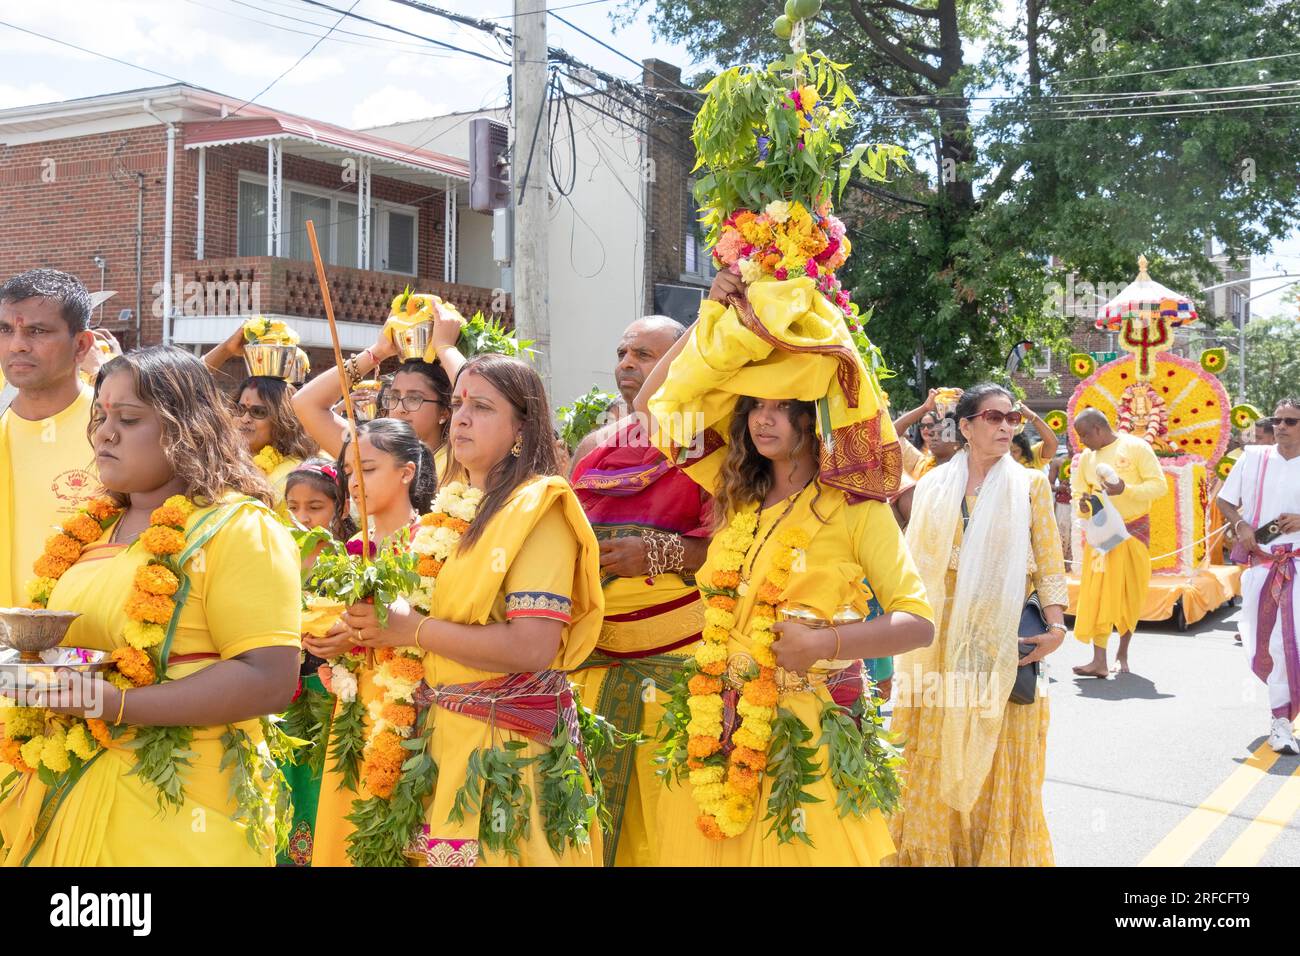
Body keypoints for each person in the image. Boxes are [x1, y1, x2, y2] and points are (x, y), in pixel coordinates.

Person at [635, 269, 934, 865]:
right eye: (754, 407)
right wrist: (709, 319)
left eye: (781, 407)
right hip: (714, 722)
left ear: (812, 419)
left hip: (802, 739)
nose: (762, 420)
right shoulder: (735, 493)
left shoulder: (856, 509)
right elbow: (651, 407)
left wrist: (826, 642)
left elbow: (918, 622)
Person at [0, 346, 301, 865]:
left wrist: (115, 706)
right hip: (64, 785)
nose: (103, 434)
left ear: (188, 427)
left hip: (176, 808)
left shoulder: (237, 528)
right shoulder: (92, 532)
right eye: (100, 418)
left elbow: (268, 677)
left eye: (129, 418)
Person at [343, 354, 606, 867]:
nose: (459, 417)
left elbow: (532, 647)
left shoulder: (539, 510)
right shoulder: (455, 506)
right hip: (440, 744)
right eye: (458, 403)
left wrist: (412, 630)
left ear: (521, 428)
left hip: (503, 751)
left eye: (481, 407)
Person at [890, 383, 1068, 866]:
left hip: (999, 631)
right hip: (938, 635)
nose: (1007, 426)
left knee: (994, 743)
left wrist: (1056, 629)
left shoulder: (1029, 485)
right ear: (966, 427)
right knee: (934, 740)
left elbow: (1050, 562)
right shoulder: (932, 485)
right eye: (993, 417)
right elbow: (909, 563)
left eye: (1011, 418)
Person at [568, 315, 713, 867]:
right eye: (623, 352)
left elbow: (731, 553)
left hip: (676, 663)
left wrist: (657, 553)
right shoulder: (594, 445)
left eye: (645, 355)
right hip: (595, 660)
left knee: (668, 821)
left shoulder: (708, 444)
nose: (627, 364)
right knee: (593, 817)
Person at [304, 419, 436, 867]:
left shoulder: (436, 544)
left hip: (418, 710)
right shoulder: (354, 548)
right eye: (348, 471)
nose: (354, 483)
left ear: (406, 472)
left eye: (369, 468)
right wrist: (331, 645)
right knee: (350, 827)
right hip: (358, 706)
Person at [0, 269, 99, 608]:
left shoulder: (115, 432)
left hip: (82, 655)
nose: (17, 345)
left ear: (81, 345)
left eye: (37, 331)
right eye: (5, 329)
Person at [277, 457, 356, 866]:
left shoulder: (348, 560)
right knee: (285, 774)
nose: (303, 517)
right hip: (283, 692)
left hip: (328, 690)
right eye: (293, 507)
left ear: (340, 508)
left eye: (315, 507)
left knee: (320, 776)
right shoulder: (277, 558)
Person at [1216, 399, 1300, 754]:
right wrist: (1240, 524)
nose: (1280, 426)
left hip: (1297, 562)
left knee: (1288, 643)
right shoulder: (1252, 459)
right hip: (1263, 564)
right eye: (1277, 420)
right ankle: (1281, 716)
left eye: (1290, 422)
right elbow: (1224, 499)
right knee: (1266, 643)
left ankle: (1280, 720)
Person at [290, 314, 465, 480]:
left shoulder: (462, 458)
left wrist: (444, 348)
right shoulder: (374, 453)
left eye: (414, 399)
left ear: (445, 411)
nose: (399, 409)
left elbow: (476, 393)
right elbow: (305, 403)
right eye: (394, 397)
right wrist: (376, 353)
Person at [1070, 408, 1167, 677]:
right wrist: (1083, 504)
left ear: (1098, 430)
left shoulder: (1136, 447)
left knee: (1128, 593)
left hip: (1132, 531)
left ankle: (1122, 653)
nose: (1081, 441)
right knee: (1098, 592)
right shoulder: (1087, 458)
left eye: (1084, 435)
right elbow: (1080, 489)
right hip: (1102, 534)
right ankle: (1098, 660)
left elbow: (1160, 486)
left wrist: (1126, 489)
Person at [230, 376, 318, 520]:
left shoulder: (298, 474)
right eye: (240, 409)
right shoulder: (223, 462)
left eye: (258, 412)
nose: (245, 418)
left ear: (281, 419)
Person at [1048, 451, 1073, 563]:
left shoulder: (1089, 458)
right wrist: (1059, 488)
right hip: (1063, 505)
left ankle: (1073, 566)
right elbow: (1049, 484)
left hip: (1081, 506)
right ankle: (1061, 565)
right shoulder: (1058, 462)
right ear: (1068, 443)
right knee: (1062, 535)